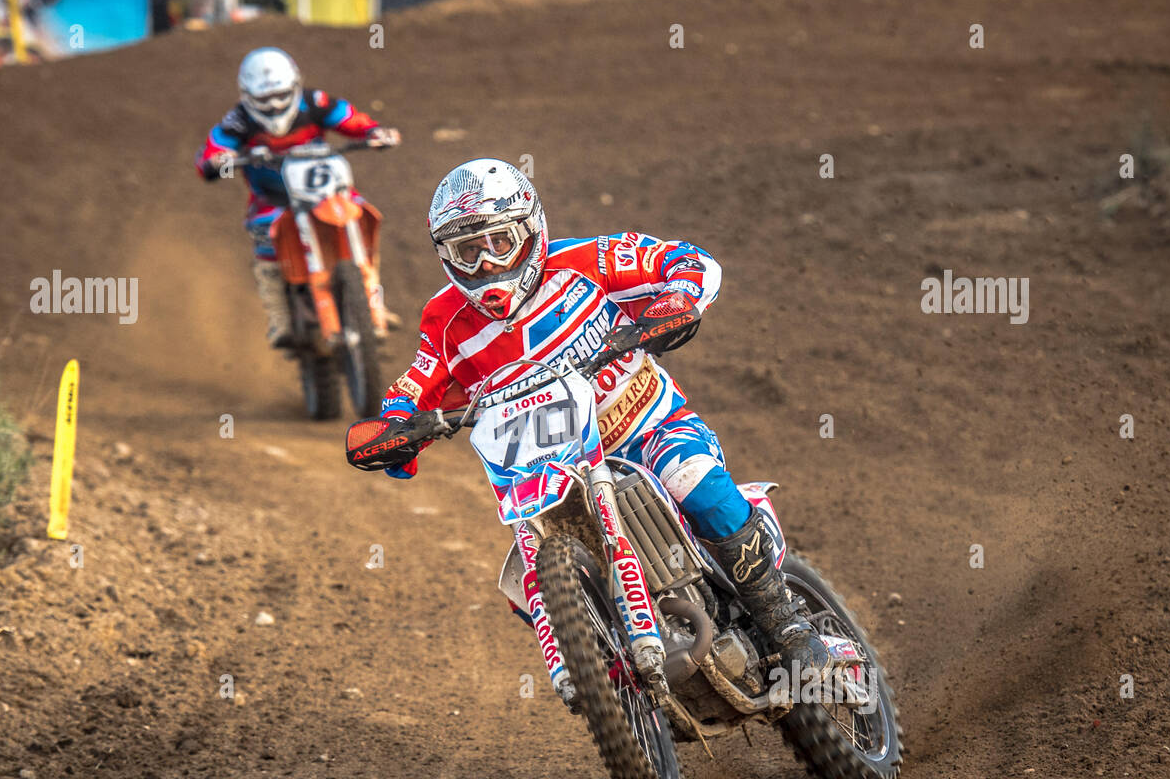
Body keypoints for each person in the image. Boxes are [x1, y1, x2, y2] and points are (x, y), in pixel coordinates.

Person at [345, 158, 831, 708]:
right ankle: (601, 663)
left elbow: (686, 260)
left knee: (698, 486)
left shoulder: (588, 261)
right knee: (524, 588)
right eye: (466, 252)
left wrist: (677, 300)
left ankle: (788, 624)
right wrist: (396, 425)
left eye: (498, 242)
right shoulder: (445, 319)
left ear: (529, 230)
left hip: (647, 426)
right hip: (548, 465)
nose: (484, 263)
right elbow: (418, 380)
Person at [195, 46, 400, 346]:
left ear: (295, 85)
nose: (275, 105)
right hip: (272, 199)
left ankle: (374, 301)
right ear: (247, 96)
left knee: (362, 215)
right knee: (265, 235)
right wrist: (216, 160)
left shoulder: (315, 102)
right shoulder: (238, 121)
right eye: (264, 99)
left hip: (325, 190)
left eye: (281, 94)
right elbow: (212, 150)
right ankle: (279, 318)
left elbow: (349, 119)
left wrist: (374, 132)